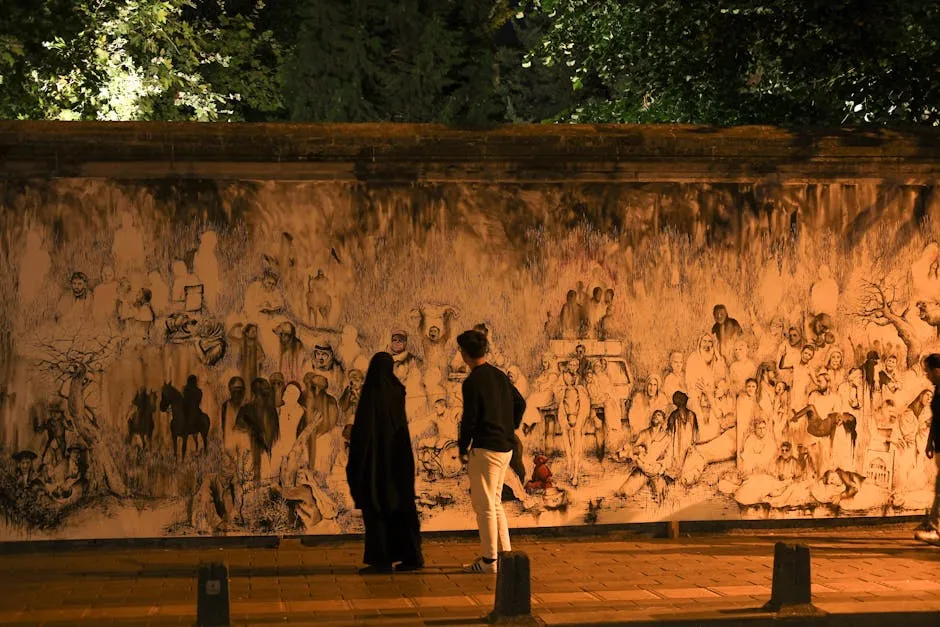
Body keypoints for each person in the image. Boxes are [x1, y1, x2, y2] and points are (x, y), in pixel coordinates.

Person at [346, 352, 423, 574]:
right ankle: (411, 557)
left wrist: (356, 457)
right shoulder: (396, 390)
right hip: (399, 460)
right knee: (402, 507)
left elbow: (364, 432)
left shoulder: (372, 393)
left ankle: (381, 560)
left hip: (376, 463)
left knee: (376, 507)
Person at [456, 329, 526, 574]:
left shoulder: (472, 381)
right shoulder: (499, 375)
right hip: (505, 447)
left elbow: (469, 419)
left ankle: (489, 561)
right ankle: (504, 556)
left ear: (464, 354)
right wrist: (510, 425)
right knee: (495, 504)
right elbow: (521, 403)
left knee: (484, 506)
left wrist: (462, 446)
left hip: (485, 449)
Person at [914, 354, 940, 545]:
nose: (927, 375)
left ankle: (935, 527)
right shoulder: (938, 390)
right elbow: (936, 419)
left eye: (928, 371)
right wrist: (929, 441)